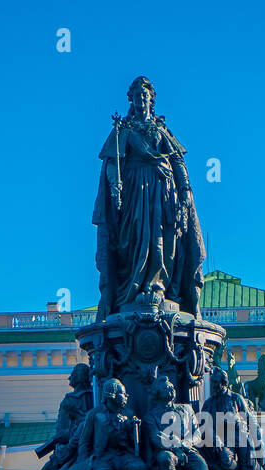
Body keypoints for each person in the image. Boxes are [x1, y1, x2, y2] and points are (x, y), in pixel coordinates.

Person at [93, 76, 205, 319]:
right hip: (134, 193)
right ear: (131, 100)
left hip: (161, 192)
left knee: (161, 240)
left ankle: (158, 286)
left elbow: (177, 161)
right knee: (132, 239)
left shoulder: (160, 129)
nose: (140, 99)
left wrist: (185, 189)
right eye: (136, 95)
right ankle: (133, 291)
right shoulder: (122, 130)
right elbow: (113, 162)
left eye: (145, 95)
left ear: (151, 100)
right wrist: (115, 185)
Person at [141, 376, 209, 470]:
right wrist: (176, 448)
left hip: (188, 450)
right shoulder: (150, 417)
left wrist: (185, 444)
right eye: (166, 387)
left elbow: (197, 433)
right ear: (157, 393)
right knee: (165, 458)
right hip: (168, 452)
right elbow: (157, 438)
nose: (171, 389)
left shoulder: (186, 409)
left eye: (172, 386)